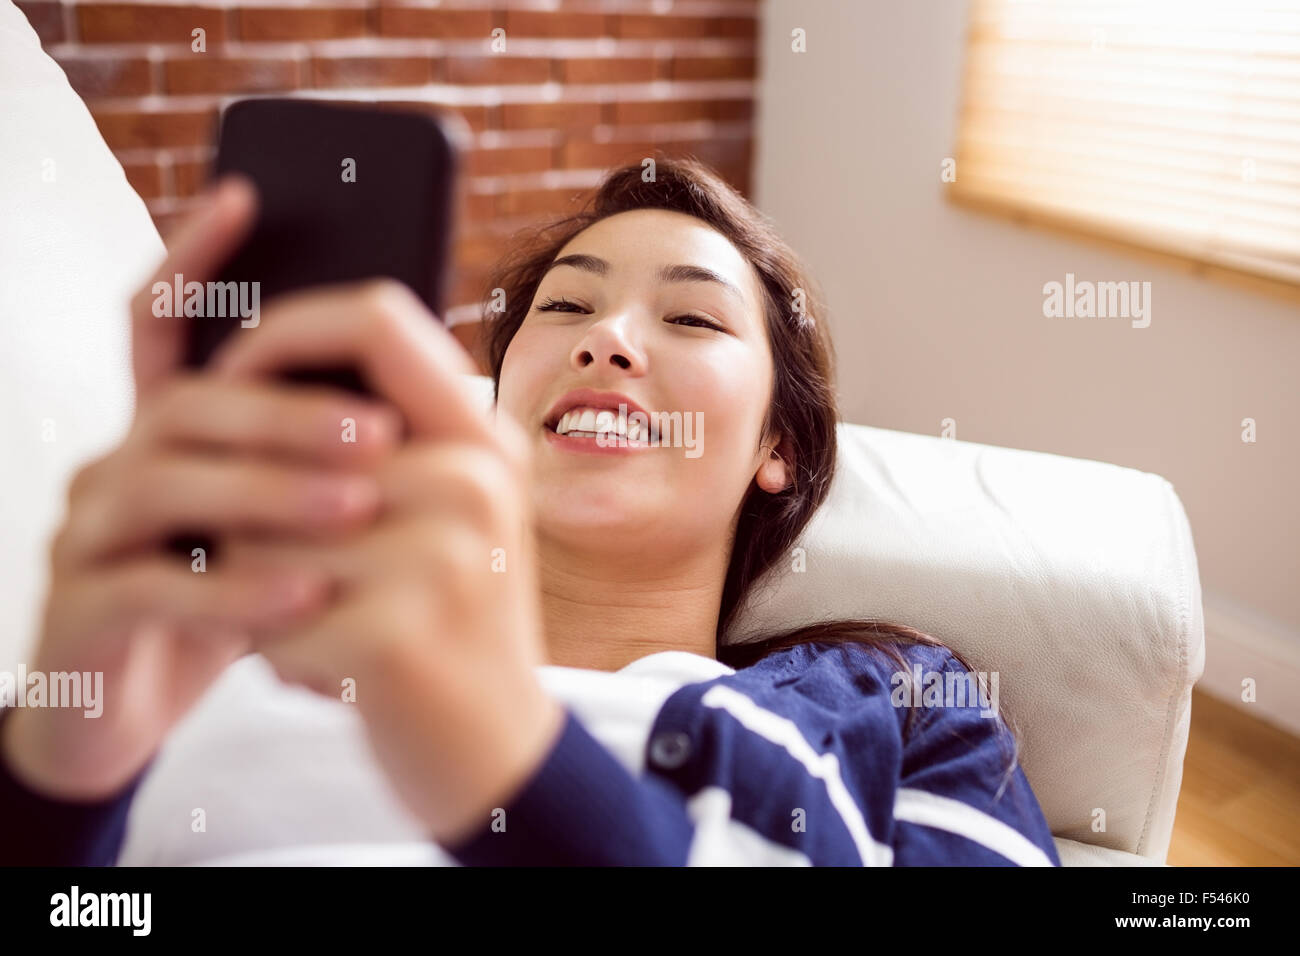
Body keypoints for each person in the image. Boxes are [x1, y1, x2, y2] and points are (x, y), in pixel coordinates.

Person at [0, 157, 1060, 866]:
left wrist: (508, 757)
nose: (607, 341)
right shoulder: (200, 651)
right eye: (565, 306)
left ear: (775, 446)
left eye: (690, 314)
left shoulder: (891, 698)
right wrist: (52, 784)